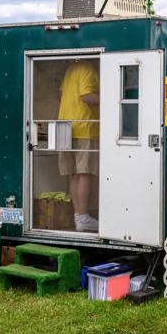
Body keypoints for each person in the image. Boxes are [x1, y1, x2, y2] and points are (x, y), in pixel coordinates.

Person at [58, 60, 100, 232]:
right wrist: (112, 98)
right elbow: (86, 95)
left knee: (73, 174)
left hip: (65, 126)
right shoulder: (87, 67)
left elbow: (61, 95)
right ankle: (83, 216)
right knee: (85, 172)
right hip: (84, 126)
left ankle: (78, 216)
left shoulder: (70, 68)